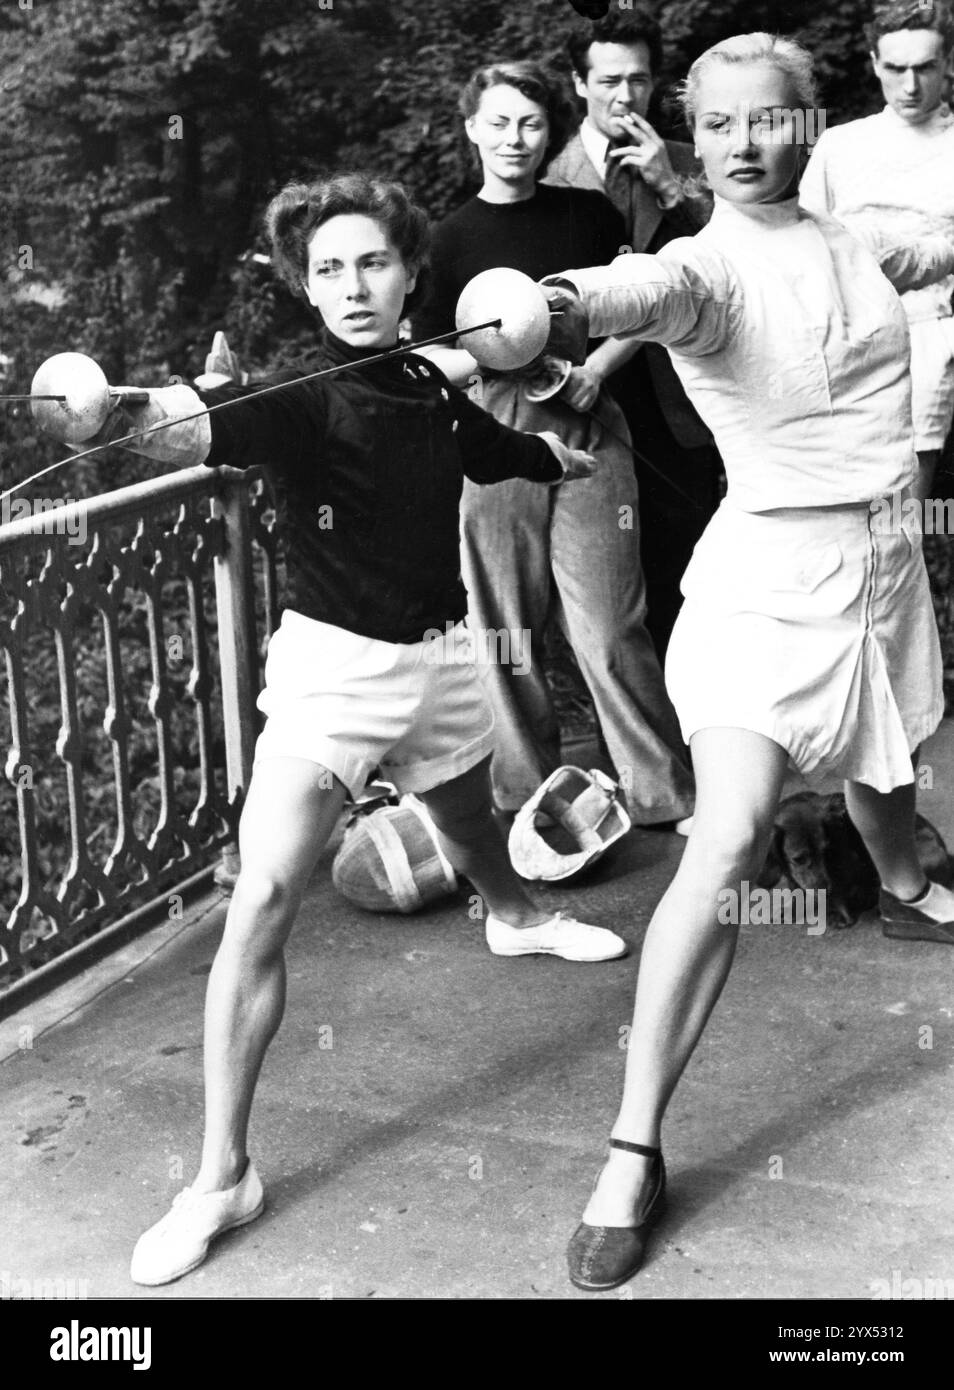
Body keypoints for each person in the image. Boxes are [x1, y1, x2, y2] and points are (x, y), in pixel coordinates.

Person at [87, 174, 635, 1287]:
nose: (352, 284)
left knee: (472, 821)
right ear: (303, 282)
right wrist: (119, 412)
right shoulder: (303, 391)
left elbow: (478, 443)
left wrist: (553, 458)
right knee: (267, 896)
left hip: (440, 659)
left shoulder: (426, 379)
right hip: (334, 674)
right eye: (328, 267)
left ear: (408, 271)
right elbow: (203, 423)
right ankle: (220, 1176)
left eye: (371, 262)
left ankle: (518, 915)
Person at [539, 33, 954, 1292]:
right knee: (725, 845)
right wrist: (551, 309)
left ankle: (900, 883)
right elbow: (627, 291)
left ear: (810, 123)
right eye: (716, 125)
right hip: (766, 589)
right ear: (692, 135)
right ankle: (630, 1146)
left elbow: (923, 252)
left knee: (891, 745)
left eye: (767, 120)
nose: (742, 144)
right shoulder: (700, 268)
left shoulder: (852, 235)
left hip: (884, 564)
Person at [413, 60, 694, 827]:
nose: (515, 139)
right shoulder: (446, 240)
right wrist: (496, 362)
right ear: (472, 127)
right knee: (503, 630)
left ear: (551, 132)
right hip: (491, 428)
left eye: (531, 124)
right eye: (499, 122)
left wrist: (596, 370)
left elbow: (639, 305)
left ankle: (661, 794)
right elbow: (434, 359)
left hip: (589, 420)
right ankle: (524, 796)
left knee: (609, 622)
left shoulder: (589, 215)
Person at [544, 8, 722, 657]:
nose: (626, 96)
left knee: (695, 573)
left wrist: (670, 184)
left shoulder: (685, 161)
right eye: (610, 80)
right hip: (592, 405)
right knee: (609, 594)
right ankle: (639, 749)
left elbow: (736, 264)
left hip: (683, 405)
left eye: (640, 80)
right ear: (578, 82)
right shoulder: (548, 176)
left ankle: (702, 733)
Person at [800, 0, 954, 501]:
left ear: (948, 62)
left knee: (904, 502)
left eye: (925, 67)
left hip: (934, 338)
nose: (910, 86)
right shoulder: (841, 145)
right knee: (838, 498)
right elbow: (801, 246)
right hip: (844, 335)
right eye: (896, 69)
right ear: (874, 63)